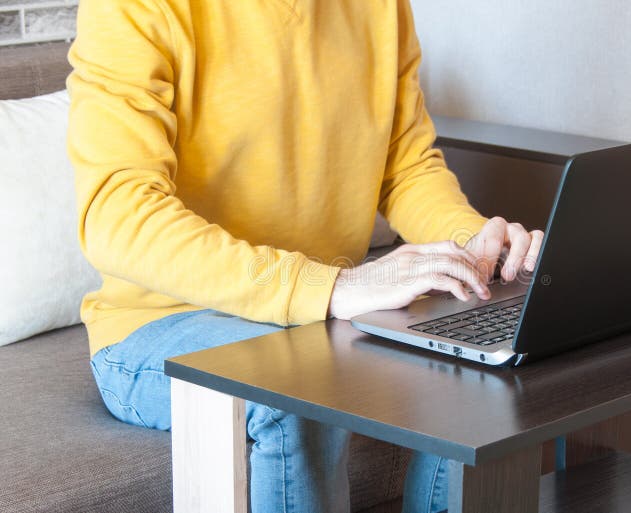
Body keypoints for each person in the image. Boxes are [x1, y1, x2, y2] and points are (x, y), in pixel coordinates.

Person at [67, 1, 543, 512]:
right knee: (298, 396)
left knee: (483, 360)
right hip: (162, 322)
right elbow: (116, 216)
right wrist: (333, 288)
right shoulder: (134, 7)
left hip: (320, 318)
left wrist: (473, 247)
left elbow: (405, 166)